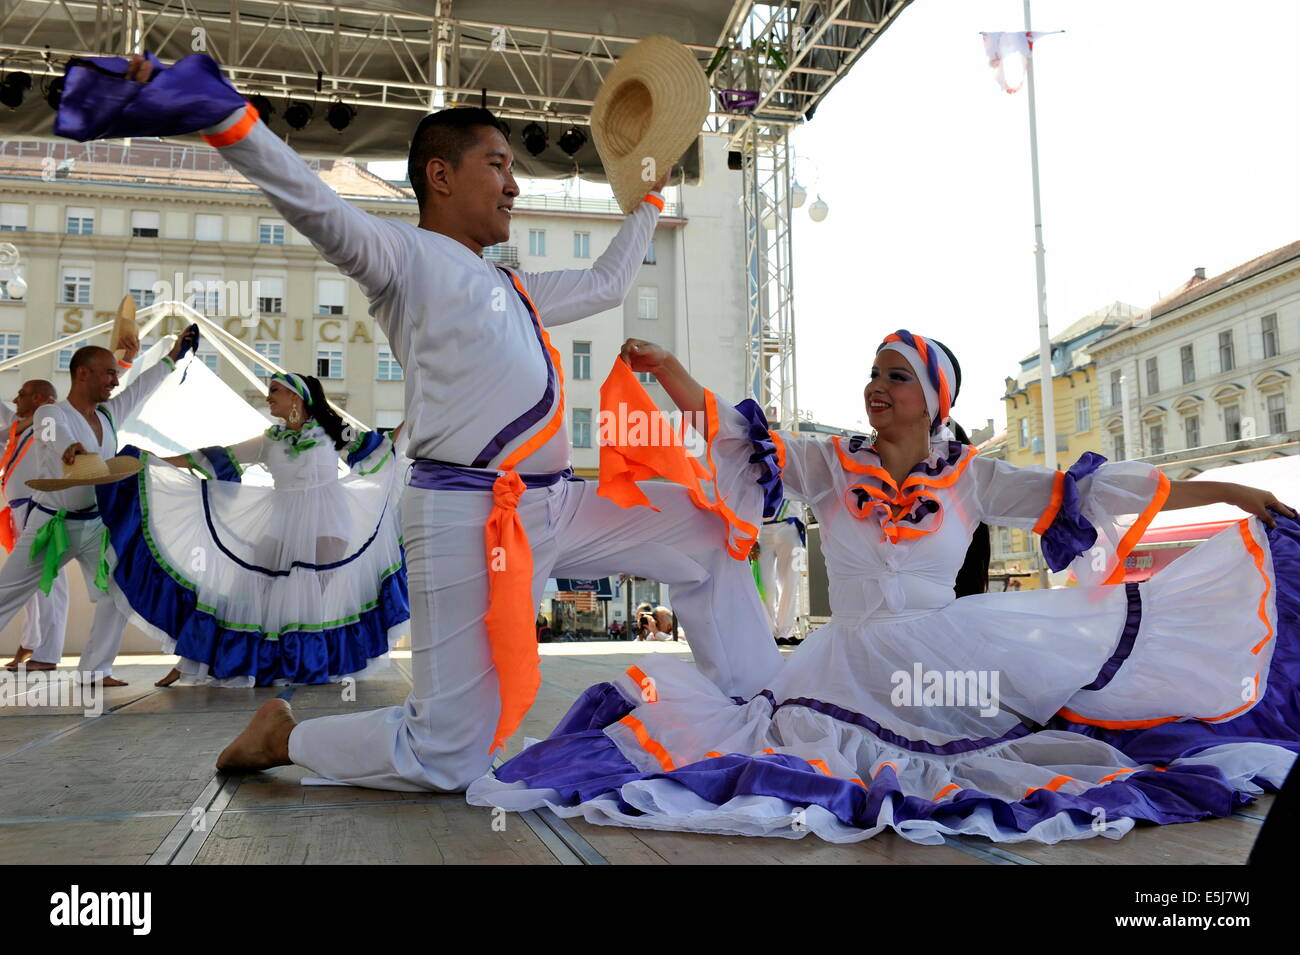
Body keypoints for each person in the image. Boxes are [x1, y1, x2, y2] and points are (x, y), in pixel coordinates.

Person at [84, 52, 779, 787]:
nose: (514, 184)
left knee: (711, 529)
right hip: (466, 514)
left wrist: (646, 201)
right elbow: (311, 202)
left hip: (562, 503)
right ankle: (287, 736)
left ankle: (758, 702)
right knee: (450, 752)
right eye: (497, 165)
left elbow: (609, 282)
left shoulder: (516, 287)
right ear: (440, 176)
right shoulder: (403, 257)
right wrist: (221, 113)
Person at [466, 333, 1299, 846]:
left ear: (931, 399)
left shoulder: (977, 478)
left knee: (989, 767)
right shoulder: (831, 465)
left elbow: (1100, 492)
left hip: (948, 658)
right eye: (873, 371)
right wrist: (674, 372)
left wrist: (1226, 492)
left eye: (896, 375)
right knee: (799, 753)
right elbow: (732, 431)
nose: (878, 385)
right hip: (845, 660)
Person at [115, 370, 407, 688]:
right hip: (280, 522)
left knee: (308, 600)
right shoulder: (271, 439)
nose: (268, 397)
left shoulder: (332, 430)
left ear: (296, 397)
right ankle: (195, 662)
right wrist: (154, 459)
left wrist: (414, 417)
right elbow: (213, 456)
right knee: (245, 593)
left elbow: (380, 450)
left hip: (329, 523)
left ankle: (303, 665)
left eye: (275, 390)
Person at [0, 329, 198, 686]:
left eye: (115, 373)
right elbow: (49, 432)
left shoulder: (108, 414)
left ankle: (95, 670)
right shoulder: (50, 411)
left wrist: (173, 356)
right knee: (8, 593)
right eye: (108, 372)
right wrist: (68, 446)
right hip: (50, 524)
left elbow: (141, 388)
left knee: (117, 593)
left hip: (94, 526)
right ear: (83, 373)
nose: (115, 379)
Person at [0, 380, 72, 671]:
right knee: (28, 580)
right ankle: (31, 642)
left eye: (22, 395)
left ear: (40, 398)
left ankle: (48, 653)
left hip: (42, 505)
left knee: (50, 580)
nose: (16, 400)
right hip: (20, 510)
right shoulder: (18, 423)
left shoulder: (57, 419)